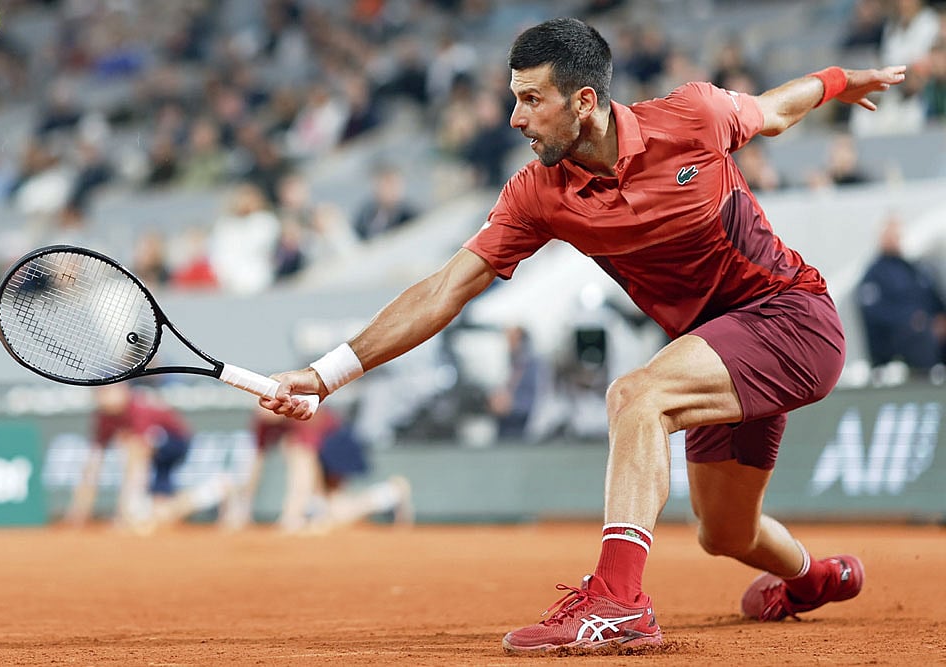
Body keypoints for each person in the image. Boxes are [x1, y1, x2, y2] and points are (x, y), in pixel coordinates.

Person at [258, 18, 905, 655]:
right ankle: (813, 578)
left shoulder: (693, 116)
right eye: (515, 97)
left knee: (637, 396)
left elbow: (773, 110)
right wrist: (325, 374)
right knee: (724, 531)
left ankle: (618, 601)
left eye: (531, 99)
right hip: (716, 344)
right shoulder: (539, 194)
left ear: (584, 101)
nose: (515, 118)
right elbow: (442, 289)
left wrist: (839, 78)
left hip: (792, 316)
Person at [66, 384, 232, 531]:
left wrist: (125, 509)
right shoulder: (104, 417)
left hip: (174, 443)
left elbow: (138, 458)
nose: (104, 396)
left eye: (108, 390)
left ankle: (135, 509)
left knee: (130, 445)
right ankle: (215, 489)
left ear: (122, 388)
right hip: (155, 456)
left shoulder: (138, 408)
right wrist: (79, 511)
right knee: (161, 512)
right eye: (99, 392)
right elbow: (93, 464)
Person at [221, 406, 413, 533]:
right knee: (336, 513)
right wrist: (242, 508)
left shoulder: (297, 412)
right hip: (322, 451)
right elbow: (256, 461)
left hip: (337, 445)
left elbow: (305, 465)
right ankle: (392, 493)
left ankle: (391, 493)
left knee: (332, 515)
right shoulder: (262, 419)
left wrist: (293, 516)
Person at [856, 214, 946, 374]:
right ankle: (925, 388)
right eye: (890, 234)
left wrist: (939, 318)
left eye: (898, 234)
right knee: (919, 334)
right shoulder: (874, 274)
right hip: (897, 338)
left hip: (928, 328)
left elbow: (933, 299)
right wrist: (914, 319)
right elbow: (875, 311)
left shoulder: (915, 269)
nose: (895, 239)